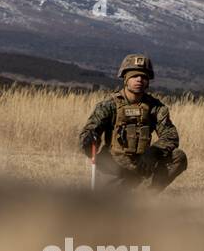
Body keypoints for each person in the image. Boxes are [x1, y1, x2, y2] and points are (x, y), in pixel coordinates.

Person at [78, 54, 187, 190]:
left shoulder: (155, 107)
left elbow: (171, 136)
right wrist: (89, 139)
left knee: (178, 157)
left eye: (144, 77)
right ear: (125, 78)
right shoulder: (108, 105)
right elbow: (89, 132)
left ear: (148, 81)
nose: (139, 79)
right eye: (134, 76)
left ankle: (143, 197)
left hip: (141, 166)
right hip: (113, 168)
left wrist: (152, 153)